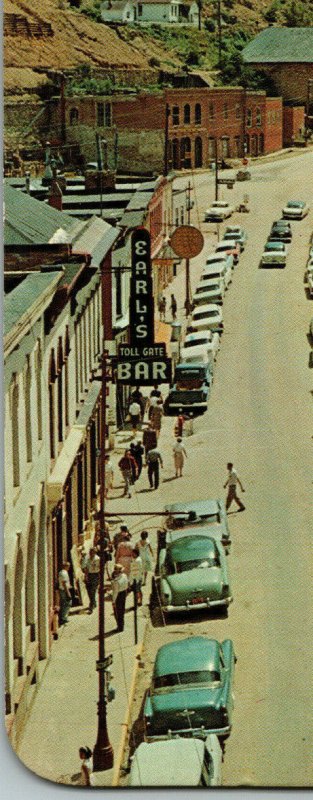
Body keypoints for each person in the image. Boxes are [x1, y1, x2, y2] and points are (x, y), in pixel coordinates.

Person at [112, 564, 129, 632]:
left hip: (118, 596)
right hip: (124, 593)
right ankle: (121, 626)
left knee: (117, 613)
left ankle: (120, 627)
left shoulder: (116, 581)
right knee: (122, 611)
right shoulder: (124, 576)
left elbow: (115, 593)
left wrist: (113, 601)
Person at [84, 547, 100, 613]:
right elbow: (85, 567)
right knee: (88, 590)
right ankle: (94, 602)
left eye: (92, 552)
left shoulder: (98, 559)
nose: (91, 554)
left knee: (93, 591)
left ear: (95, 553)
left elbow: (100, 568)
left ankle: (91, 607)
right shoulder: (87, 558)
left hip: (95, 575)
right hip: (89, 575)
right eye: (90, 552)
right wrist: (86, 576)